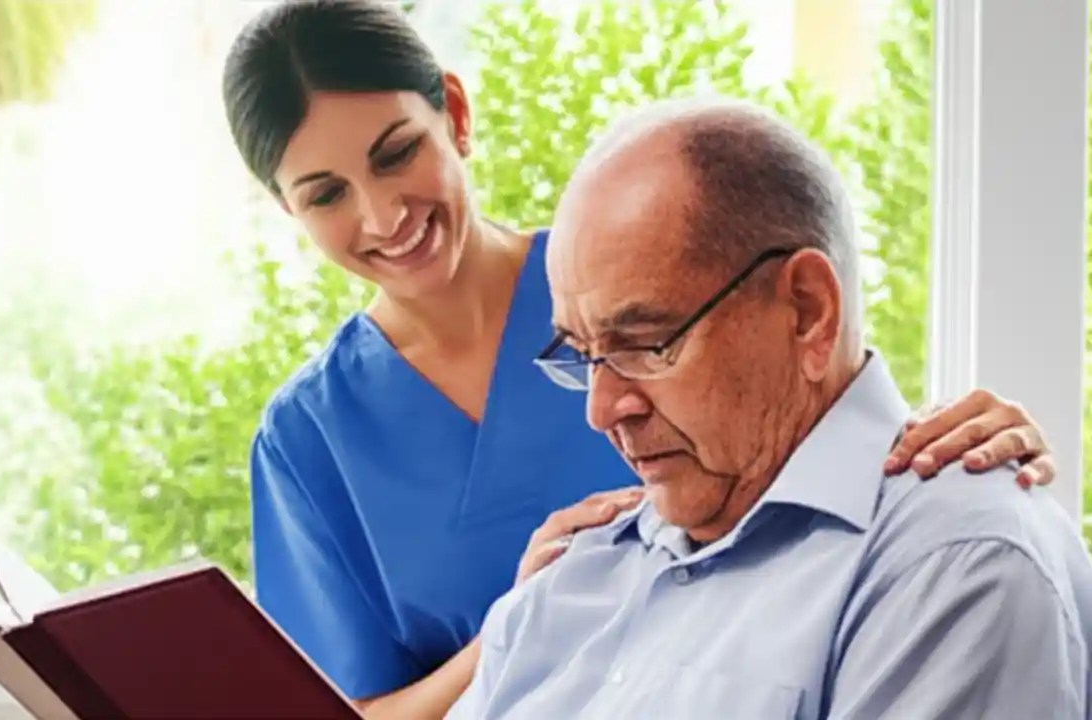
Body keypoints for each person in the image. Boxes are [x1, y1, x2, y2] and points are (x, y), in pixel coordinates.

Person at [220, 1, 1059, 716]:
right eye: (325, 194)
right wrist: (515, 622)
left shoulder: (628, 260)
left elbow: (819, 418)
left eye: (396, 152)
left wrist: (952, 454)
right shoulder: (317, 442)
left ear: (455, 115)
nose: (380, 213)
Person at [446, 96, 1092, 720]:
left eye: (645, 343)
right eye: (583, 352)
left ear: (808, 311)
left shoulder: (956, 564)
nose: (604, 409)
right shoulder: (572, 573)